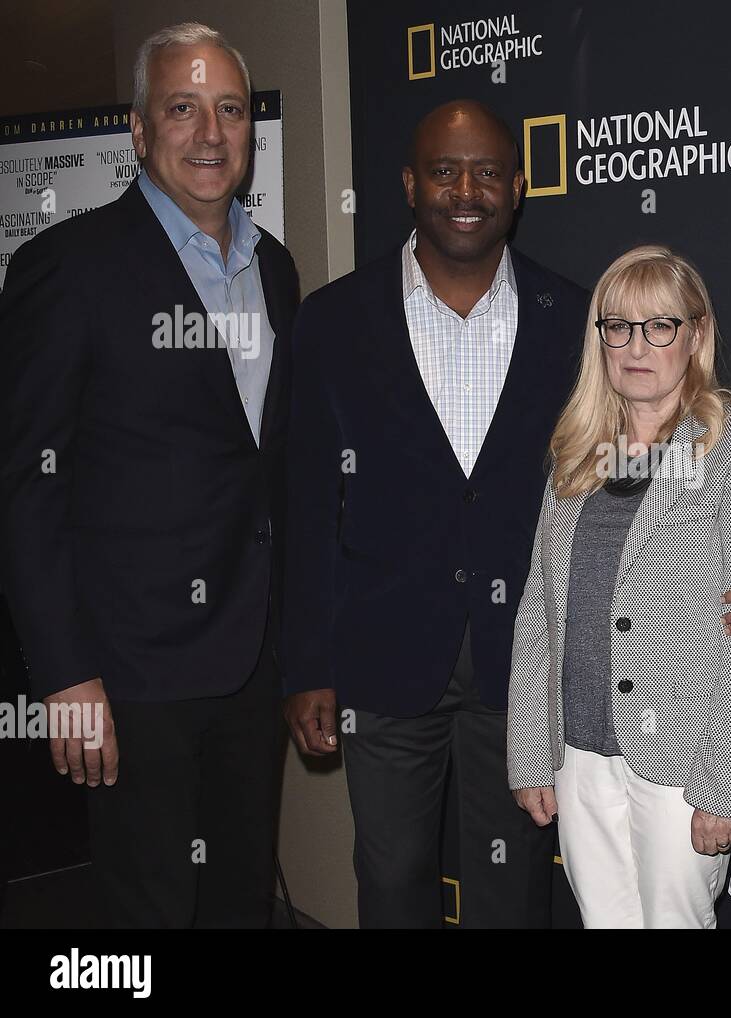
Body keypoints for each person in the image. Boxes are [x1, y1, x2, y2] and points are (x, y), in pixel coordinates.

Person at [0, 22, 299, 927]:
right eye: (182, 108)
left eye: (230, 110)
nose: (210, 132)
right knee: (151, 907)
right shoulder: (67, 265)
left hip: (252, 663)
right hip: (131, 675)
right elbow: (26, 482)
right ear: (138, 129)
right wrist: (64, 675)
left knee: (239, 895)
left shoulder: (275, 268)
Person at [281, 100, 586, 928]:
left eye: (488, 171)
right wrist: (308, 664)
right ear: (410, 184)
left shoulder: (574, 319)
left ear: (517, 188)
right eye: (445, 170)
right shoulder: (333, 321)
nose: (467, 189)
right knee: (391, 881)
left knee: (511, 885)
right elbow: (306, 503)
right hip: (381, 658)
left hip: (522, 662)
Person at [507, 245, 731, 928]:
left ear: (695, 335)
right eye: (618, 326)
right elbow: (538, 610)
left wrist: (725, 783)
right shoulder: (577, 450)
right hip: (578, 751)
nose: (637, 345)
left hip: (684, 758)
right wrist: (529, 750)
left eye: (660, 325)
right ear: (598, 337)